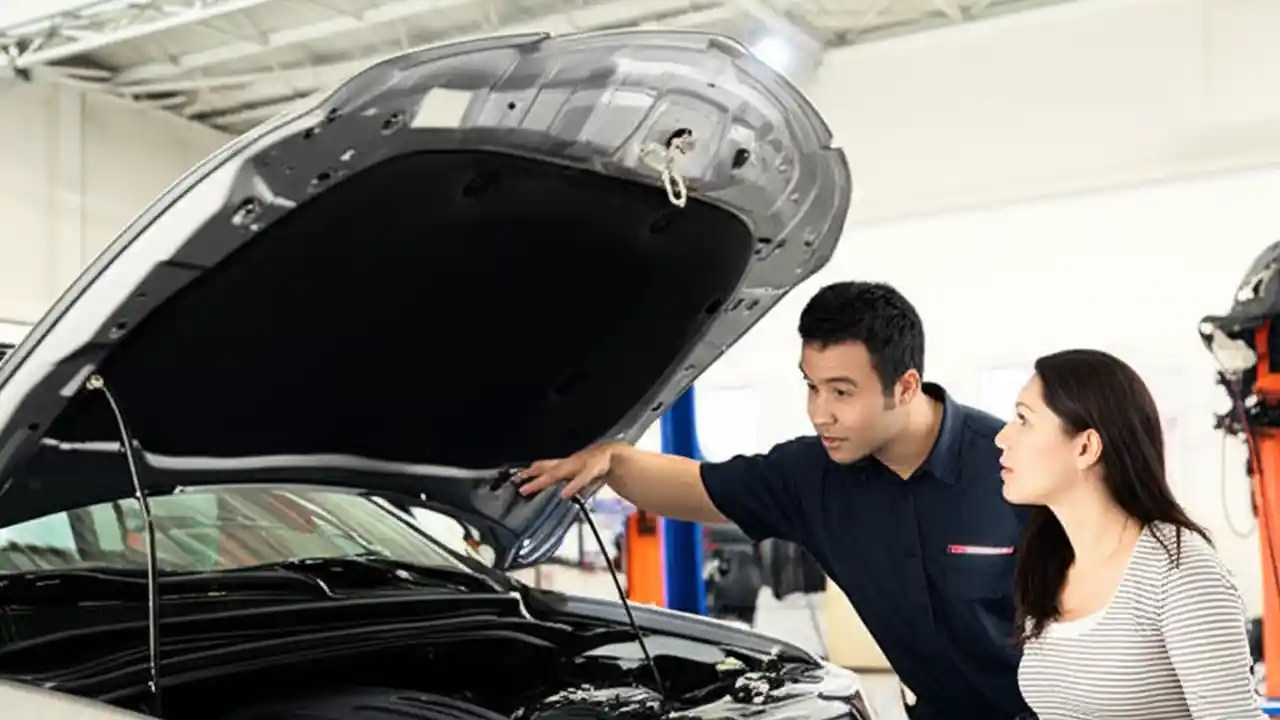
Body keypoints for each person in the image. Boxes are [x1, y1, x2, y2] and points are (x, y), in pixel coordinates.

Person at [517, 281, 1031, 720]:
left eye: (842, 392)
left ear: (905, 386)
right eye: (812, 387)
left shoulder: (1016, 464)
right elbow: (695, 485)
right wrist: (611, 460)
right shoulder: (812, 476)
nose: (820, 413)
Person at [995, 349, 1262, 719]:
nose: (1002, 437)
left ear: (1085, 447)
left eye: (1024, 419)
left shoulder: (1178, 570)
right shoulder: (1049, 562)